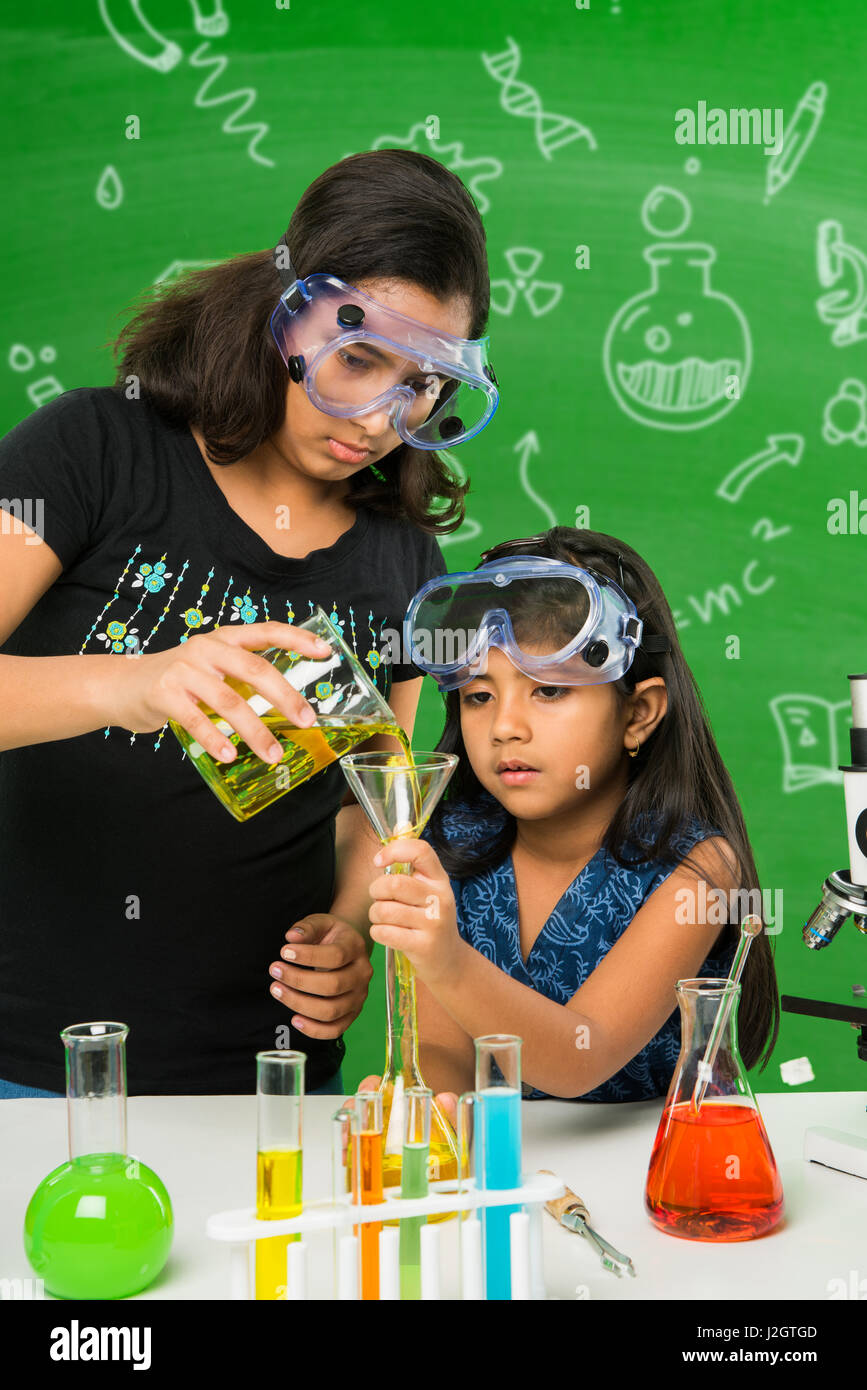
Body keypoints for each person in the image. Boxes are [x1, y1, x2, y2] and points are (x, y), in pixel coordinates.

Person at [0, 148, 500, 1098]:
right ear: (284, 317)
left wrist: (350, 929)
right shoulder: (94, 451)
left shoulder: (402, 560)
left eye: (421, 384)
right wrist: (134, 682)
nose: (378, 416)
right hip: (28, 1069)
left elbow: (370, 794)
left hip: (269, 1085)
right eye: (357, 360)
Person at [361, 527, 779, 1104]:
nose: (506, 726)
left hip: (652, 1169)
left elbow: (586, 1054)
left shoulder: (699, 870)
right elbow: (445, 1052)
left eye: (549, 691)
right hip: (516, 1164)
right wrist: (425, 1101)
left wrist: (447, 959)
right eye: (480, 696)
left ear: (638, 714)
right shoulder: (449, 843)